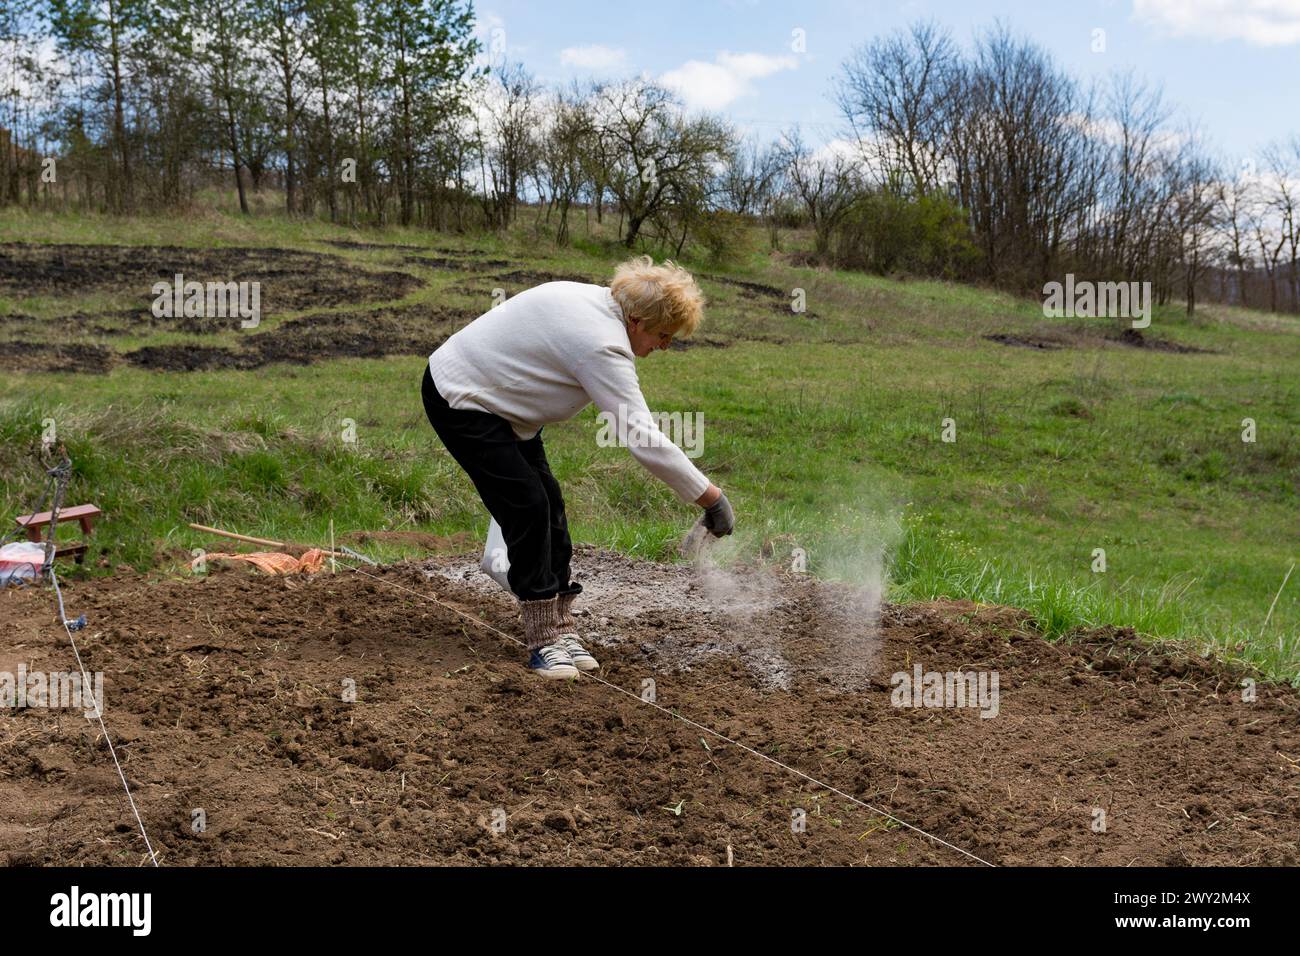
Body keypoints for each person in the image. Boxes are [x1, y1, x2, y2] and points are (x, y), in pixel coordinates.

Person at [422, 255, 734, 679]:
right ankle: (543, 639)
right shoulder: (600, 344)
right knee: (527, 506)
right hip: (461, 398)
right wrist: (711, 498)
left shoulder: (598, 304)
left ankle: (560, 625)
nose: (665, 346)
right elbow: (641, 436)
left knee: (550, 505)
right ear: (637, 321)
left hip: (507, 405)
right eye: (663, 335)